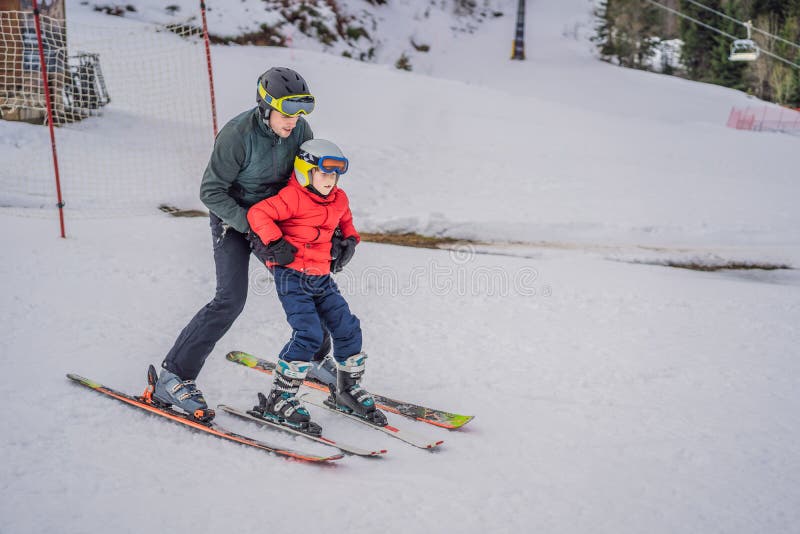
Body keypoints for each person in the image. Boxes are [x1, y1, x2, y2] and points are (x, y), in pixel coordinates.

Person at [152, 67, 332, 421]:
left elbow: (305, 183)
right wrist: (252, 228)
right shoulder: (237, 134)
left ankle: (313, 358)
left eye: (300, 112)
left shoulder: (300, 131)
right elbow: (210, 192)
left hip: (276, 216)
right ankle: (174, 375)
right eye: (287, 111)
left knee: (308, 280)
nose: (294, 121)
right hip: (234, 218)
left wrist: (328, 229)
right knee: (230, 298)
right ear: (265, 107)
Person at [246, 139, 387, 433]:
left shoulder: (339, 198)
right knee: (308, 333)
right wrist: (275, 241)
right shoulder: (291, 197)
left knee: (348, 327)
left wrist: (350, 239)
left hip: (322, 277)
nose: (330, 180)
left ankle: (346, 389)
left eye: (335, 175)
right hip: (292, 277)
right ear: (304, 171)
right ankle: (279, 398)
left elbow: (345, 219)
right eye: (324, 174)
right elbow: (257, 214)